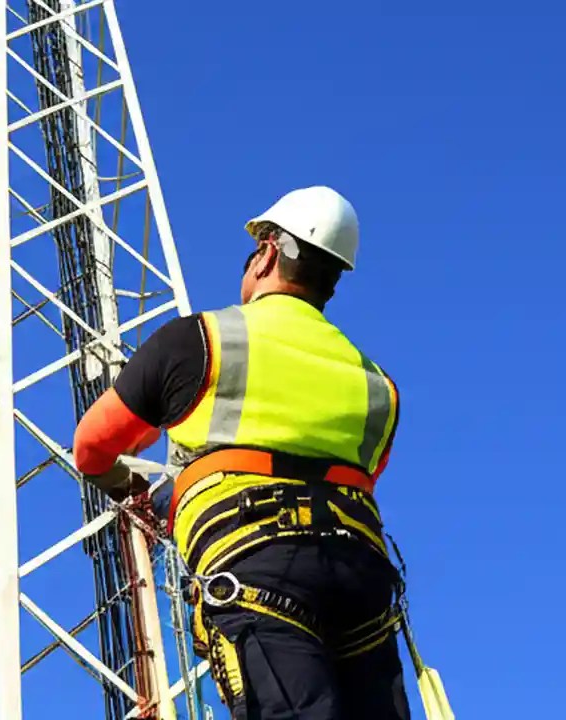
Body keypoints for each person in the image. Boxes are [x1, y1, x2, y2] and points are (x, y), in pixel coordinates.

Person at [72, 186, 410, 719]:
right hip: (361, 576)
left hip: (258, 566)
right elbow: (356, 475)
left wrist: (135, 491)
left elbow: (92, 446)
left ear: (269, 253)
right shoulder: (377, 385)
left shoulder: (203, 340)